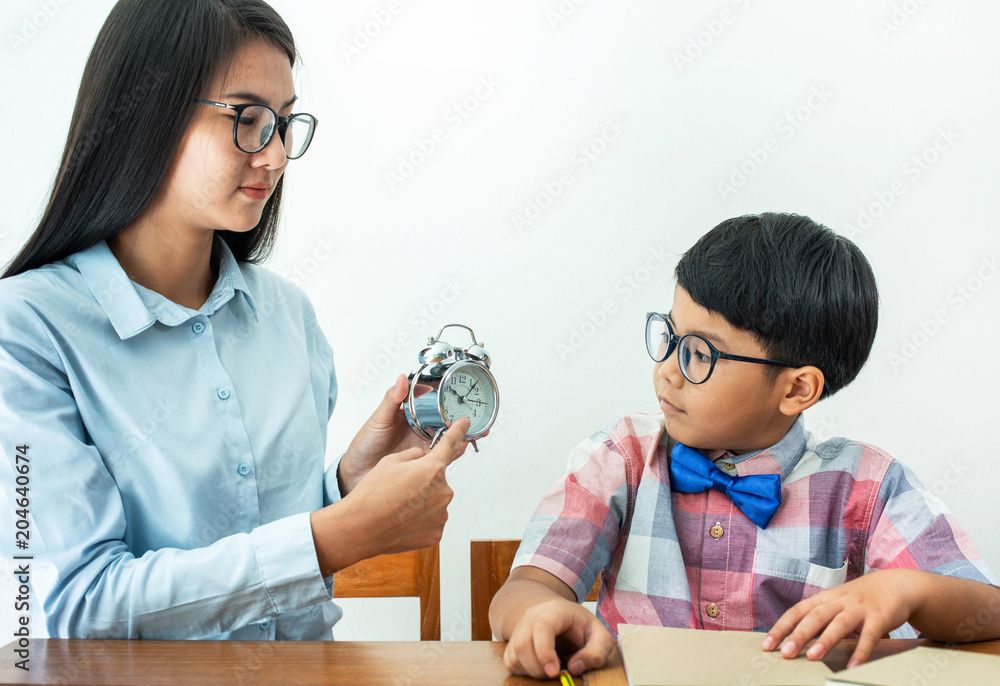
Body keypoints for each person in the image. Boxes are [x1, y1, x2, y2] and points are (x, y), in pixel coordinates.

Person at [0, 0, 469, 640]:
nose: (275, 156)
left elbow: (274, 559)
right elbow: (80, 606)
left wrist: (346, 491)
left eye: (284, 123)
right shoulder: (25, 331)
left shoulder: (288, 317)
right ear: (147, 114)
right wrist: (339, 532)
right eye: (248, 119)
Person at [489, 213, 1000, 679]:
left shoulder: (867, 486)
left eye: (699, 354)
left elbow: (989, 610)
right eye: (670, 338)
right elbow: (524, 589)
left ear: (797, 388)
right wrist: (536, 612)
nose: (666, 370)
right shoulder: (620, 457)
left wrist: (908, 589)